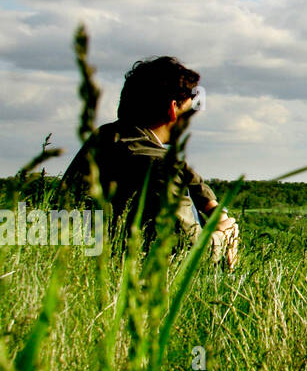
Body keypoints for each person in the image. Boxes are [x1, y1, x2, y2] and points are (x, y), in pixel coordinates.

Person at [62, 56, 238, 266]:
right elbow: (190, 252)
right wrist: (225, 237)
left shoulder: (106, 137)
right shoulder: (160, 168)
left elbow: (175, 167)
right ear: (173, 109)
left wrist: (213, 207)